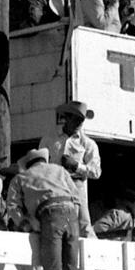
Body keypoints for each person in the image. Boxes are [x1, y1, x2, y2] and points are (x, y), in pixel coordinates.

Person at [6, 147, 86, 270]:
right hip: (71, 214)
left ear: (28, 163)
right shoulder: (61, 171)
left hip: (49, 214)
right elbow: (78, 199)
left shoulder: (21, 178)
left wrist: (26, 224)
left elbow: (12, 206)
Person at [39, 100, 101, 237]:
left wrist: (76, 166)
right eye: (76, 118)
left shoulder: (88, 143)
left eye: (82, 119)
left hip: (77, 188)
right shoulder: (49, 139)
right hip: (54, 187)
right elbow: (41, 166)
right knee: (55, 222)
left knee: (83, 226)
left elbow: (96, 171)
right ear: (66, 118)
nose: (80, 123)